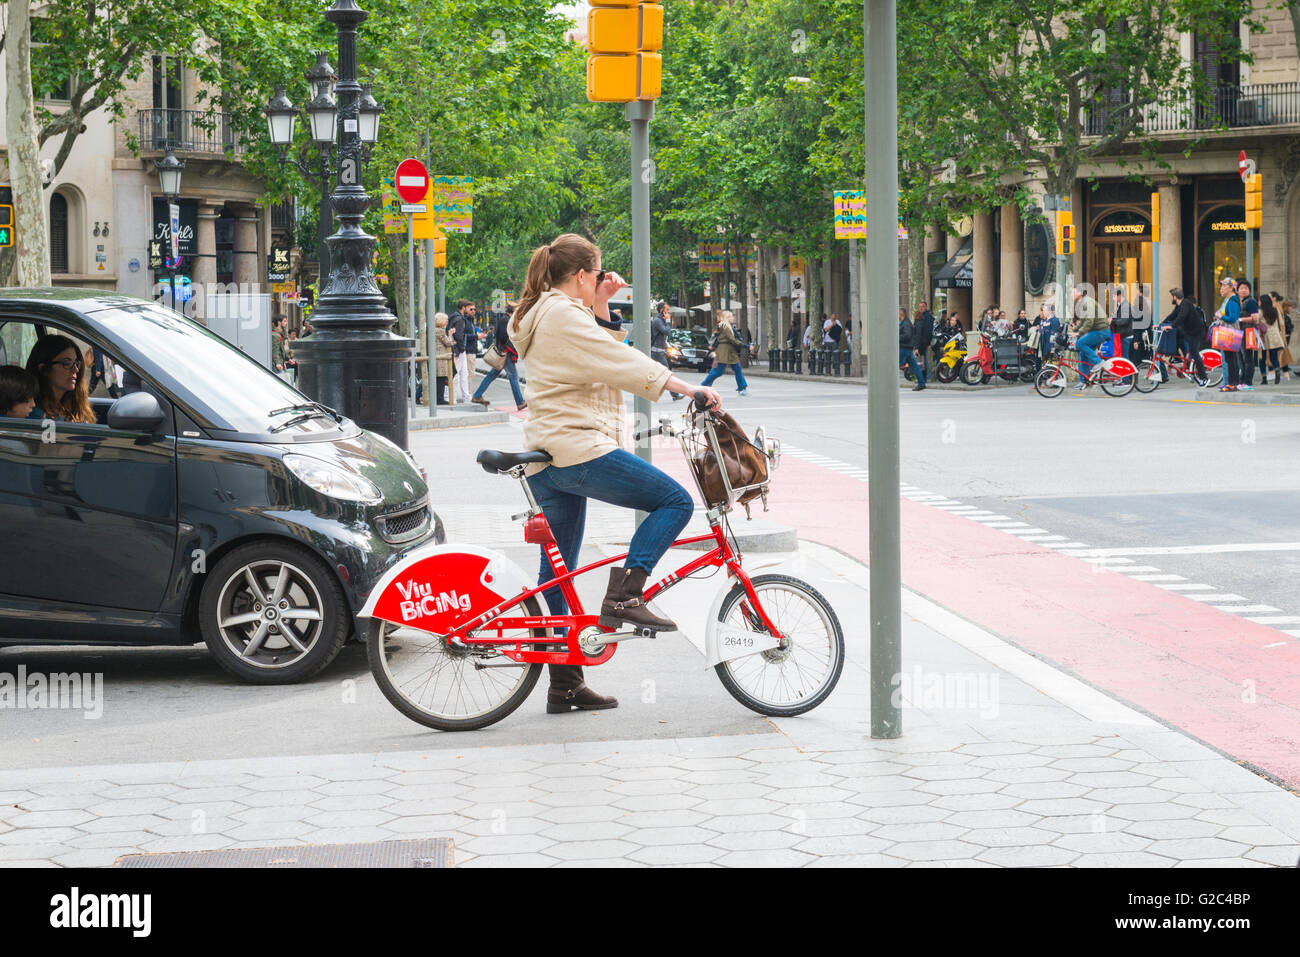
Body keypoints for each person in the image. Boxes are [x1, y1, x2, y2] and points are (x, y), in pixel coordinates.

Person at [511, 233, 722, 714]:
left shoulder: (548, 312)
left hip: (549, 453)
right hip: (577, 448)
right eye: (597, 277)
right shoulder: (562, 314)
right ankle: (626, 595)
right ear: (581, 275)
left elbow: (595, 351)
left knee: (556, 580)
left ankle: (564, 687)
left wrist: (604, 304)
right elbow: (617, 360)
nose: (599, 284)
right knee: (675, 502)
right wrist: (685, 387)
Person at [25, 335, 95, 423]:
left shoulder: (74, 405)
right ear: (44, 368)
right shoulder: (31, 413)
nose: (76, 369)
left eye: (76, 363)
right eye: (66, 363)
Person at [472, 306, 528, 410]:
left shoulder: (505, 319)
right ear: (513, 312)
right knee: (513, 377)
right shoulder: (505, 320)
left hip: (504, 352)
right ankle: (520, 402)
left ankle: (477, 395)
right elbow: (503, 337)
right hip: (505, 352)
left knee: (491, 375)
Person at [1160, 288, 1206, 382]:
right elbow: (1172, 315)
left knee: (1194, 353)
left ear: (1175, 297)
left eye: (1172, 297)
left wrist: (1171, 326)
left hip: (1196, 332)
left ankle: (1204, 378)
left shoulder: (1186, 304)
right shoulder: (1179, 305)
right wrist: (1160, 324)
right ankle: (1180, 361)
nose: (1171, 299)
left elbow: (1181, 317)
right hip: (1189, 332)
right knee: (1182, 344)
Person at [700, 311, 749, 395]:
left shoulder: (726, 326)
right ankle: (703, 385)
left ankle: (742, 388)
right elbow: (731, 339)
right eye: (731, 316)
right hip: (724, 352)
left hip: (728, 351)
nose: (733, 318)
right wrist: (745, 346)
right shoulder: (725, 326)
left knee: (737, 369)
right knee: (718, 371)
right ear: (727, 317)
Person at [1070, 284, 1108, 387]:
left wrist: (1079, 333)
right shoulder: (1083, 303)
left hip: (1101, 330)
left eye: (1073, 292)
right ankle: (1085, 381)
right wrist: (1073, 331)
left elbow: (1089, 321)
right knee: (1083, 353)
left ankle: (1099, 362)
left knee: (1079, 344)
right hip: (1097, 331)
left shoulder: (1088, 302)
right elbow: (1083, 322)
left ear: (1080, 293)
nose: (1071, 294)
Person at [1213, 276, 1243, 392]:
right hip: (1228, 332)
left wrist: (1221, 316)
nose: (1221, 289)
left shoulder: (1233, 301)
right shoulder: (1231, 300)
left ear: (1231, 288)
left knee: (1231, 359)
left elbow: (1233, 318)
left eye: (1224, 286)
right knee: (1230, 359)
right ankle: (1232, 383)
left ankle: (1232, 383)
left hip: (1230, 333)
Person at [651, 301, 683, 401]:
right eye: (667, 310)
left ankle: (673, 394)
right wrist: (668, 321)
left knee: (655, 374)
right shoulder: (657, 321)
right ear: (662, 310)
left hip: (659, 351)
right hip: (657, 352)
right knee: (667, 374)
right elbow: (667, 332)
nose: (669, 312)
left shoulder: (661, 320)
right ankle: (675, 395)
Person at [448, 300, 476, 402]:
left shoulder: (452, 317)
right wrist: (461, 348)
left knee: (463, 373)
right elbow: (459, 336)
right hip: (459, 350)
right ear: (463, 308)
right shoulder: (460, 319)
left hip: (456, 348)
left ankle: (465, 395)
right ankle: (453, 396)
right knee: (458, 373)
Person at [1236, 279, 1260, 391]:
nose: (1244, 290)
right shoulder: (1239, 301)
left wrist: (1240, 319)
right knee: (1241, 359)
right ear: (1237, 290)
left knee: (1248, 358)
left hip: (1248, 332)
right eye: (1241, 288)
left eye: (1246, 288)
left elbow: (1255, 318)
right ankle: (1242, 381)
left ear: (1249, 290)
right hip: (1239, 332)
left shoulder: (1251, 301)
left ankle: (1248, 382)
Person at [1259, 293, 1285, 385]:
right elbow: (1281, 323)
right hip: (1275, 335)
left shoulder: (1260, 311)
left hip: (1264, 336)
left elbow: (1256, 321)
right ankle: (1277, 369)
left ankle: (1264, 378)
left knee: (1262, 358)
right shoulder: (1275, 310)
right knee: (1274, 356)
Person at [433, 312, 455, 404]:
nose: (447, 321)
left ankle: (419, 395)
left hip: (437, 356)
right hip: (441, 357)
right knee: (441, 378)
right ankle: (439, 399)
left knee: (437, 378)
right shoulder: (440, 331)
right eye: (446, 320)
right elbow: (449, 343)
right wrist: (450, 334)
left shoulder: (434, 330)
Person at [910, 304, 932, 391]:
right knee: (923, 361)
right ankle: (924, 377)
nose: (921, 308)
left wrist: (916, 347)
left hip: (921, 345)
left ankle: (923, 378)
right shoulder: (922, 322)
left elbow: (918, 335)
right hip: (923, 344)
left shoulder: (919, 323)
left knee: (921, 362)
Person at [1111, 287, 1134, 360]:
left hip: (1126, 335)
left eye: (1114, 296)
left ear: (1119, 295)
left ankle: (1129, 371)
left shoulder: (1125, 305)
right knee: (1123, 357)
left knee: (1125, 358)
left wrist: (1113, 321)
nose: (1113, 298)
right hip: (1124, 335)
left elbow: (1124, 320)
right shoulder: (1121, 305)